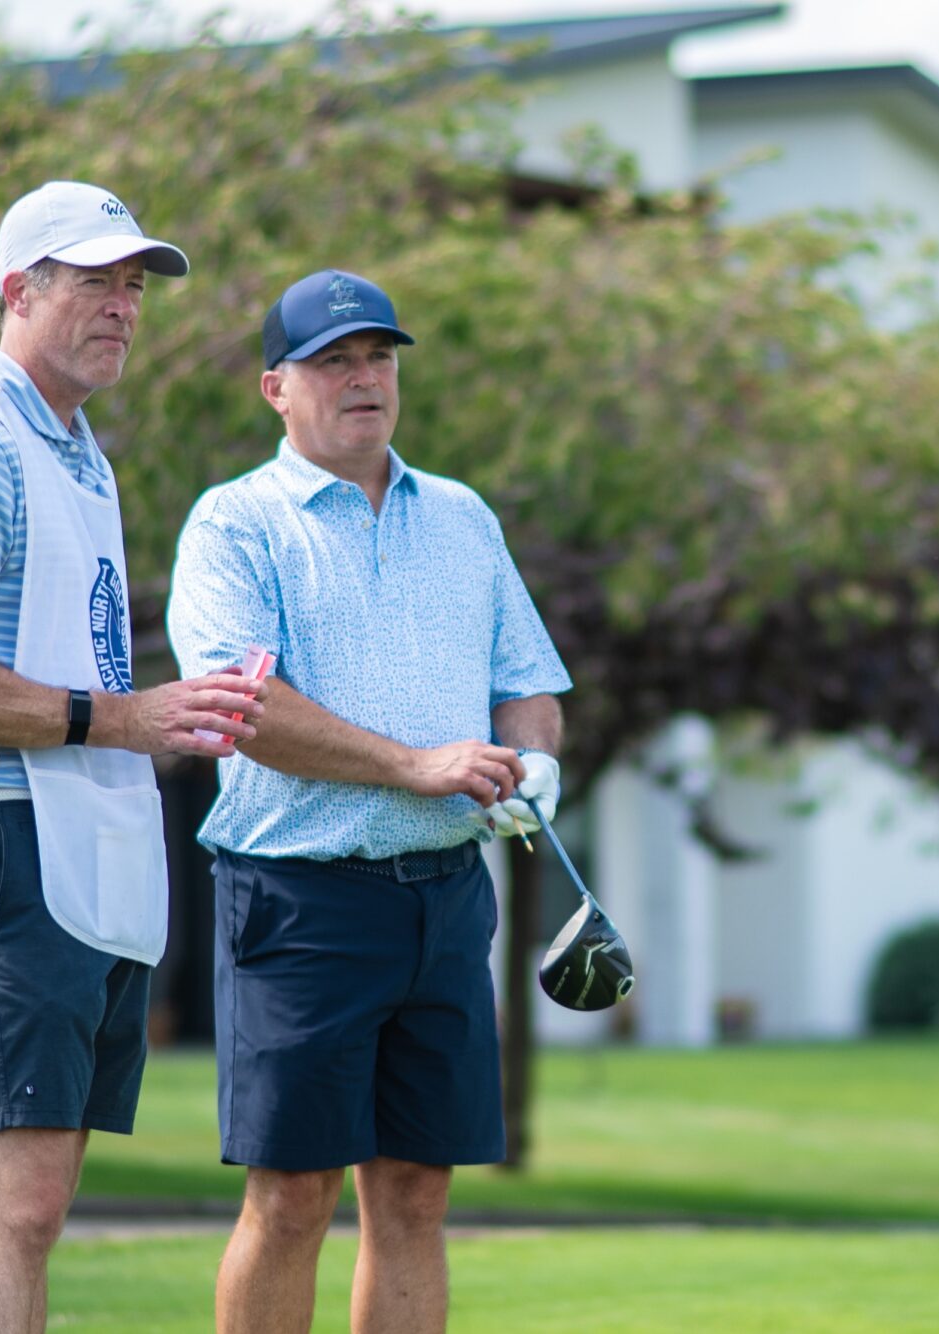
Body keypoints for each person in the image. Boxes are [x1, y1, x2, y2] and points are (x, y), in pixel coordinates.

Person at [0, 180, 268, 1333]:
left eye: (133, 286)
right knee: (17, 1194)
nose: (123, 306)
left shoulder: (79, 452)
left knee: (43, 1194)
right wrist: (124, 718)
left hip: (73, 838)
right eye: (93, 280)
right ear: (15, 290)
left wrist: (164, 718)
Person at [167, 268, 572, 1333]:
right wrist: (415, 764)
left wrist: (535, 768)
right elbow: (242, 708)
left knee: (414, 1193)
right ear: (274, 389)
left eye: (378, 358)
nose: (364, 378)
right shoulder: (233, 524)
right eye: (333, 361)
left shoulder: (462, 515)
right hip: (298, 901)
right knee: (292, 1192)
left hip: (443, 895)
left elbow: (525, 677)